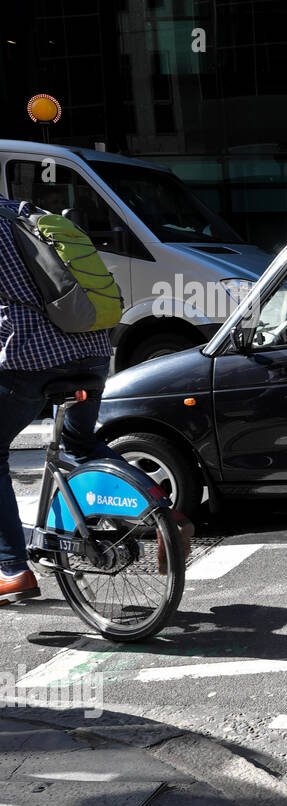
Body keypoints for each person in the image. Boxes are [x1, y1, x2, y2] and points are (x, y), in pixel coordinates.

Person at [0, 199, 191, 603]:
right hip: (90, 348)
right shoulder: (27, 213)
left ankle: (12, 568)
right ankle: (166, 517)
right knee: (81, 444)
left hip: (34, 356)